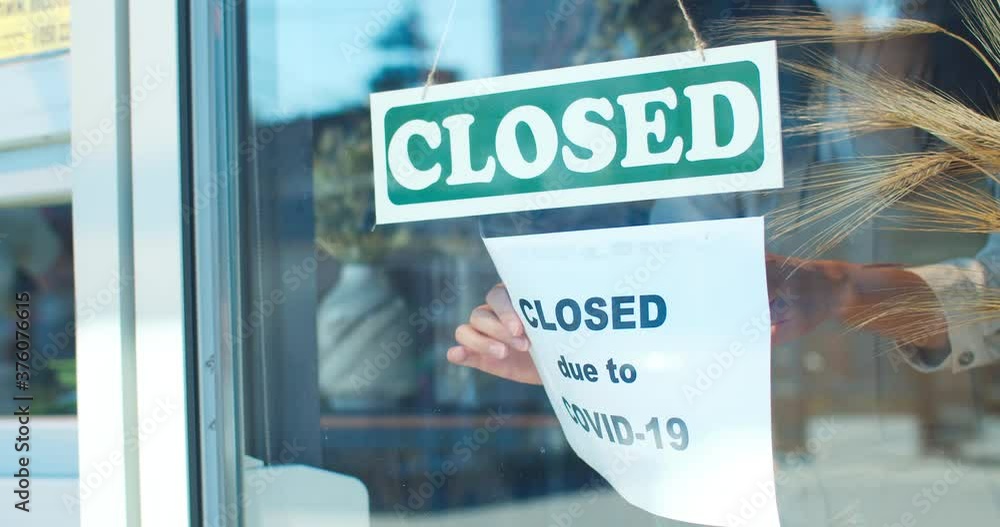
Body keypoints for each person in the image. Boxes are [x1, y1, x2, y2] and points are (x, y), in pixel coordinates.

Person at [447, 0, 999, 384]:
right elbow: (676, 284)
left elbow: (988, 298)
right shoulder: (728, 112)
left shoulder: (763, 109)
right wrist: (581, 353)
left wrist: (841, 288)